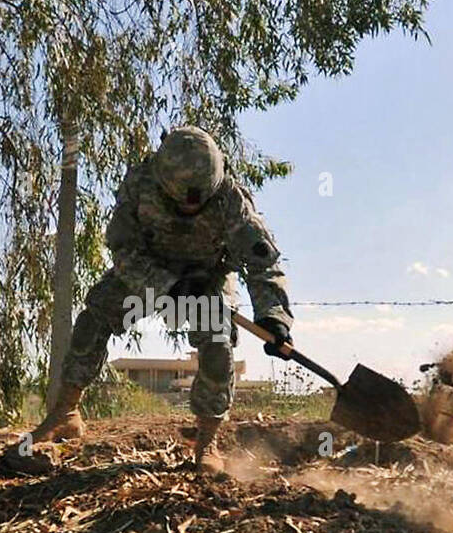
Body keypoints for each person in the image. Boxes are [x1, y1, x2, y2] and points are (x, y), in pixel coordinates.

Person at [31, 126, 294, 473]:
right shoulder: (141, 185)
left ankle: (207, 442)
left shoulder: (231, 200)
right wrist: (168, 285)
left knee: (216, 343)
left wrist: (274, 318)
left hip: (207, 277)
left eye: (201, 199)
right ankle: (66, 413)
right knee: (94, 318)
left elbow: (263, 263)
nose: (193, 206)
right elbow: (124, 251)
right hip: (148, 268)